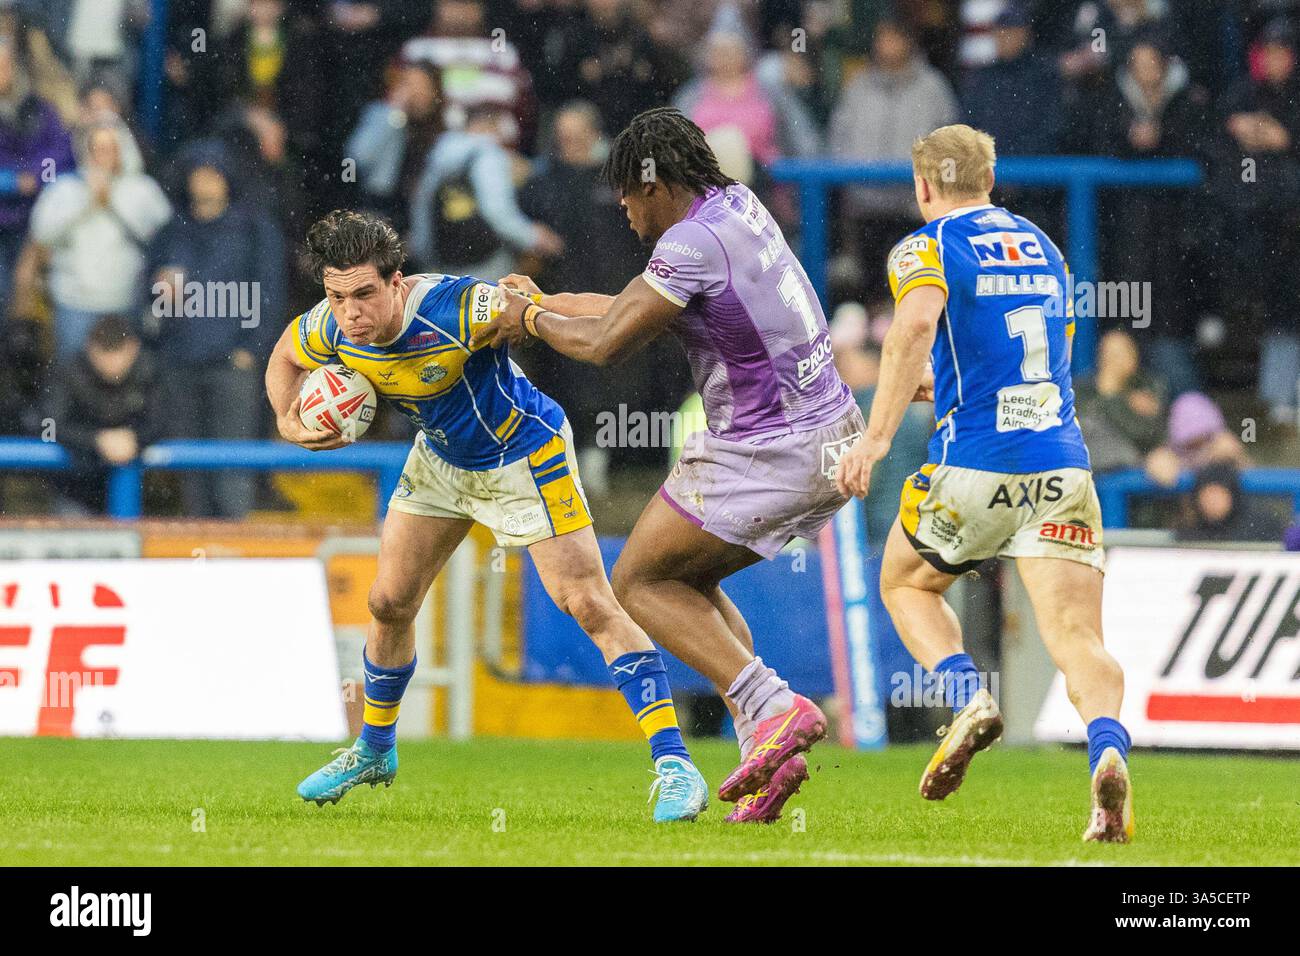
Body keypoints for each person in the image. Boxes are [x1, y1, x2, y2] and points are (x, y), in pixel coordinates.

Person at [473, 108, 866, 824]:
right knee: (688, 576)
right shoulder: (735, 207)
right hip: (831, 432)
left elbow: (607, 344)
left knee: (637, 579)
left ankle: (771, 706)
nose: (623, 209)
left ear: (658, 185)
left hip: (769, 445)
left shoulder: (689, 243)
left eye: (627, 193)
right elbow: (626, 308)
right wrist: (542, 300)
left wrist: (526, 323)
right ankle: (766, 746)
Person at [264, 210, 707, 822]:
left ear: (397, 282)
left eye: (364, 294)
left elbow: (529, 309)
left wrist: (643, 311)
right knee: (388, 603)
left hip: (523, 453)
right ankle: (373, 748)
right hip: (443, 459)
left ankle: (675, 765)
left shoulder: (455, 309)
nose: (351, 312)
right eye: (338, 297)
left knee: (586, 601)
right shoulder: (330, 327)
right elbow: (284, 356)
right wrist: (289, 418)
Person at [834, 124, 1133, 843]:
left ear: (923, 187)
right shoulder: (1043, 247)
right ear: (990, 179)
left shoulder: (924, 245)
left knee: (905, 583)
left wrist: (874, 440)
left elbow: (912, 325)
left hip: (974, 465)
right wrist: (941, 385)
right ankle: (1109, 752)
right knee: (1076, 636)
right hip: (1059, 464)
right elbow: (1024, 364)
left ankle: (969, 697)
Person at [27, 116, 170, 358]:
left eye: (110, 148)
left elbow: (160, 238)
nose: (103, 156)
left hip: (125, 299)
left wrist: (111, 201)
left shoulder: (143, 188)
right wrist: (86, 204)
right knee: (72, 373)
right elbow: (42, 232)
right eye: (97, 149)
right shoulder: (64, 188)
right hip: (74, 302)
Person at [408, 103, 563, 280]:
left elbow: (421, 207)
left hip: (442, 264)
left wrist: (425, 255)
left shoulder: (440, 152)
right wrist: (533, 238)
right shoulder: (487, 156)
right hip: (484, 263)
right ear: (489, 125)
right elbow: (497, 213)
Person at [45, 314, 158, 514]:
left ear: (133, 347)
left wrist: (135, 439)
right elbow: (47, 426)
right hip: (78, 487)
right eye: (105, 353)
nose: (111, 363)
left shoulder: (150, 372)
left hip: (138, 492)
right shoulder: (69, 373)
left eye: (117, 353)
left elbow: (168, 422)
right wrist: (96, 440)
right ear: (90, 348)